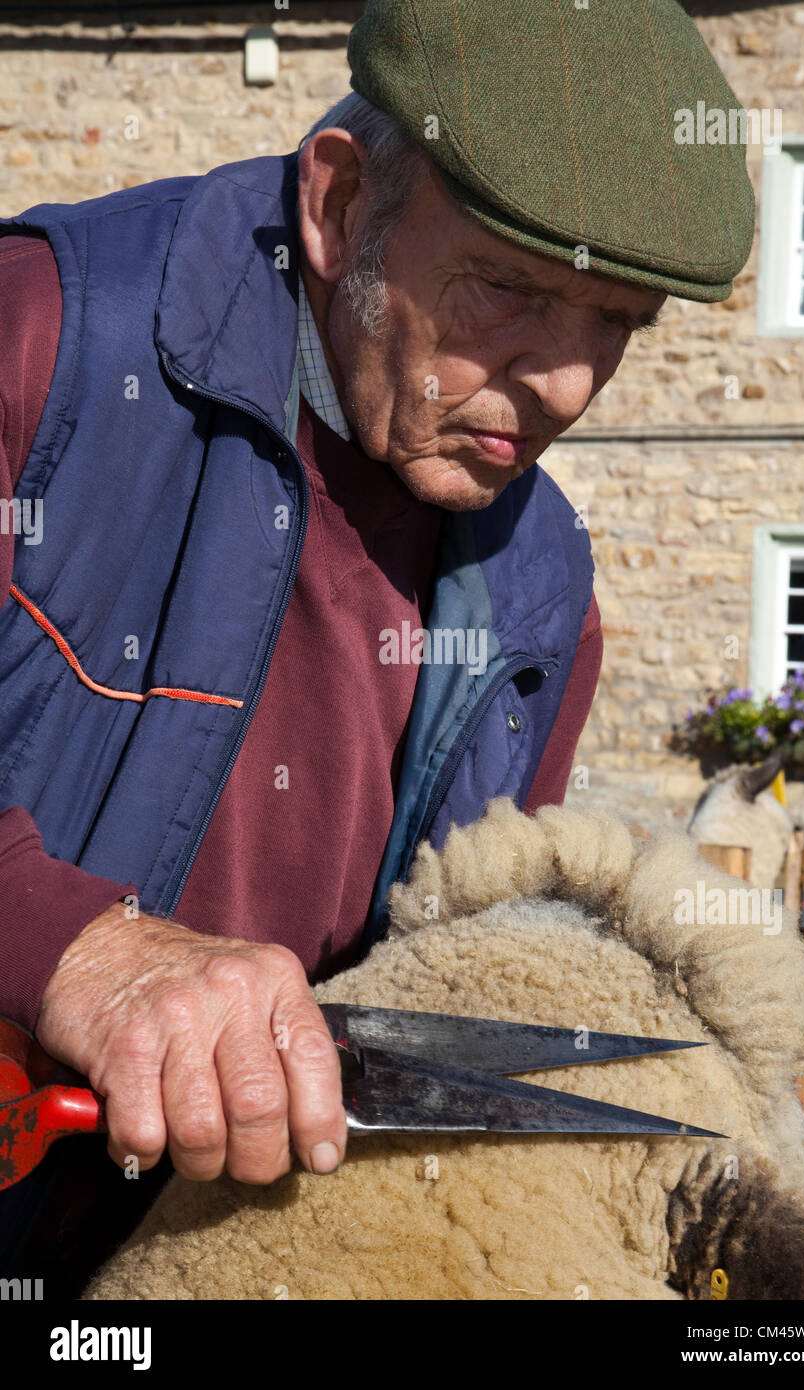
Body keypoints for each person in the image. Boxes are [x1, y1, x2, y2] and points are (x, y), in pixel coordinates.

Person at [0, 0, 754, 1288]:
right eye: (507, 292)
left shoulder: (540, 584)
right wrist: (85, 948)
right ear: (341, 205)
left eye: (617, 324)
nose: (567, 386)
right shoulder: (45, 341)